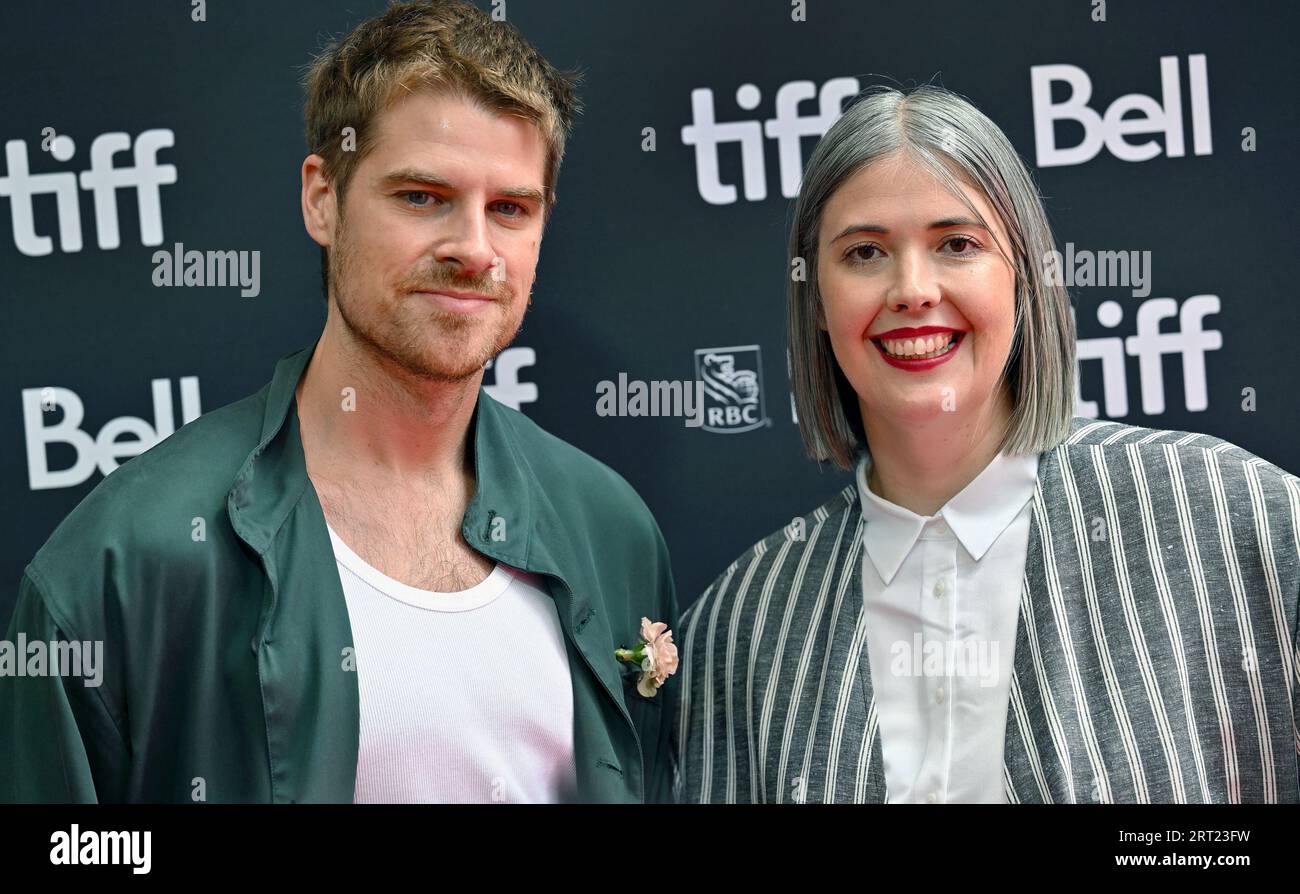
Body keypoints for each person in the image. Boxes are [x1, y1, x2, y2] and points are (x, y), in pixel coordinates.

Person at [0, 0, 677, 805]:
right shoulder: (125, 563)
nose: (472, 248)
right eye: (422, 196)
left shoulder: (611, 528)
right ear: (323, 198)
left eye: (510, 209)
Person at [674, 84, 1300, 804]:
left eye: (958, 244)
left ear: (1025, 279)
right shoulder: (742, 625)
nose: (912, 289)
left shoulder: (1230, 516)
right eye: (866, 252)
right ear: (816, 299)